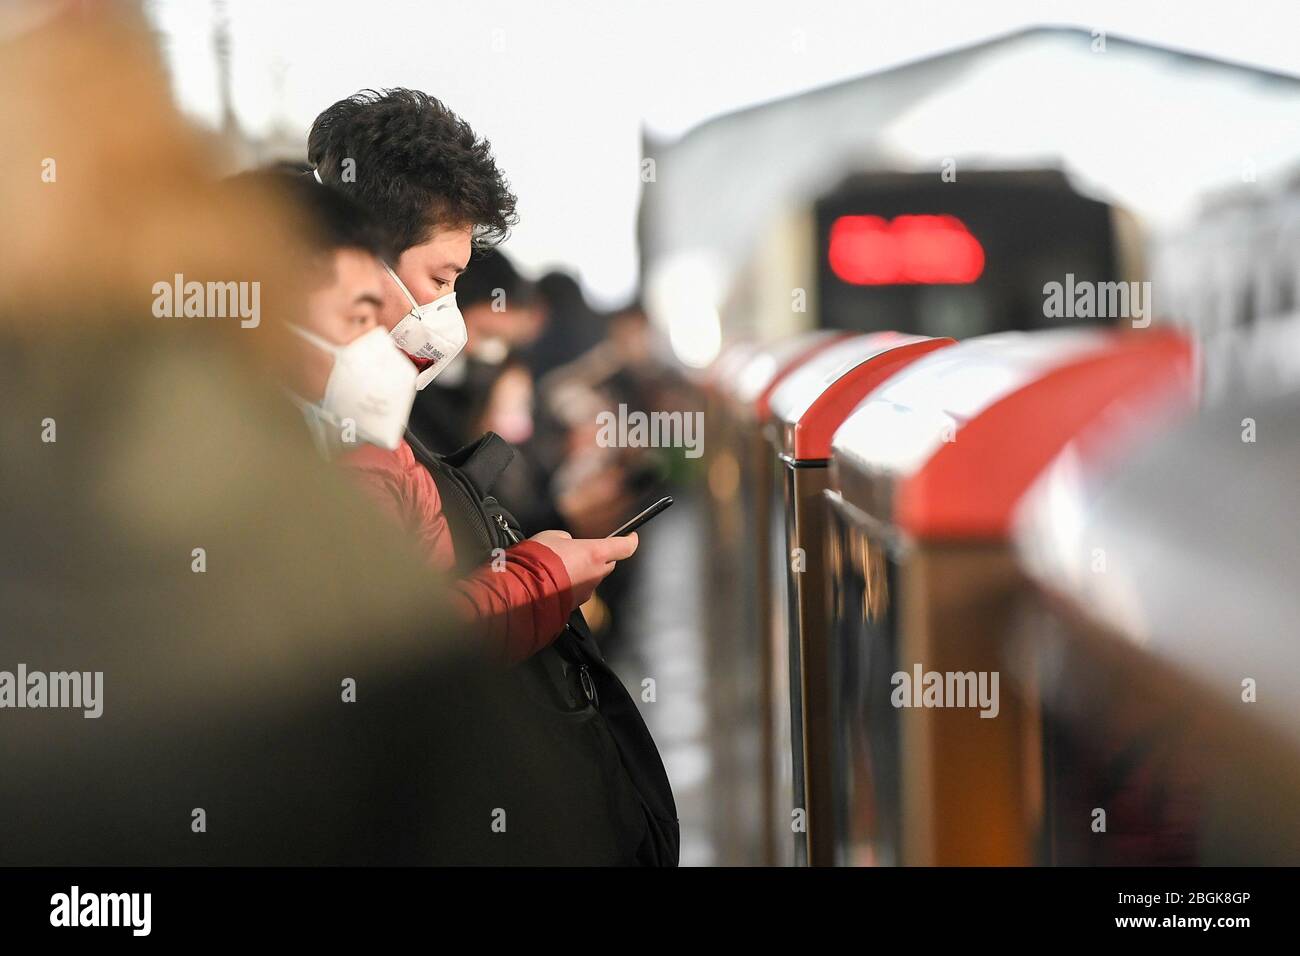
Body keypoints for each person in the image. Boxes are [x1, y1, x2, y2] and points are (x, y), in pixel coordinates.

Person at [305, 90, 636, 659]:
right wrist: (541, 579)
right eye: (440, 281)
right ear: (360, 259)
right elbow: (389, 656)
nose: (448, 319)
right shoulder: (325, 428)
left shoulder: (370, 414)